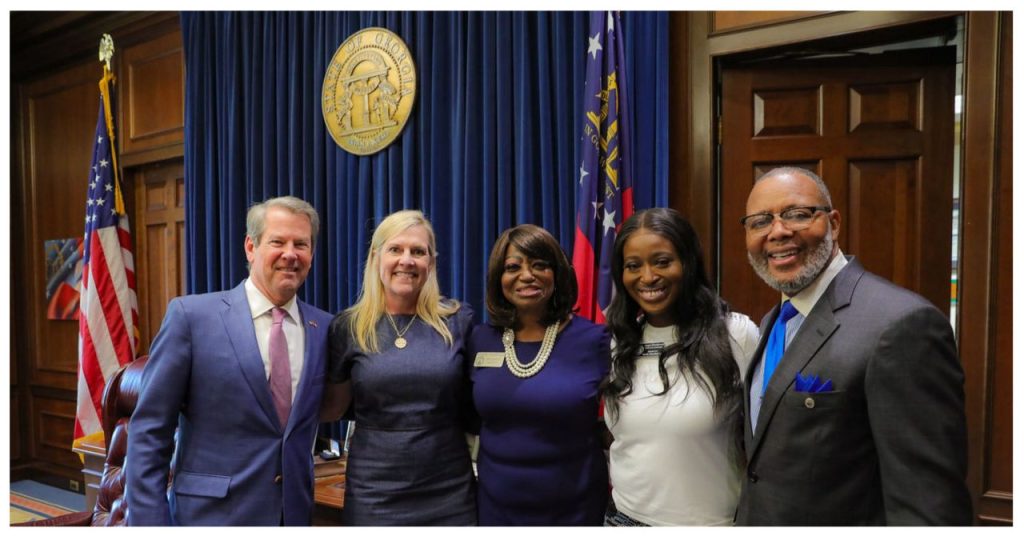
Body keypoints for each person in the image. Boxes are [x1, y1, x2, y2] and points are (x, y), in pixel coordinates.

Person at [736, 167, 972, 525]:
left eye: (797, 214)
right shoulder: (774, 320)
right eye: (760, 221)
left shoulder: (901, 325)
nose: (778, 231)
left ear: (834, 224)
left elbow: (928, 503)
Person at [126, 196, 332, 525]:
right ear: (251, 247)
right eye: (277, 242)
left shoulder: (325, 328)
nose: (290, 254)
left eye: (301, 244)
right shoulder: (191, 318)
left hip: (291, 517)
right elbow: (149, 431)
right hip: (209, 518)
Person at [603, 208, 759, 526]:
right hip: (623, 520)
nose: (648, 277)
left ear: (688, 263)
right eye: (633, 266)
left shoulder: (736, 334)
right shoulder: (620, 340)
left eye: (662, 261)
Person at [323, 209, 476, 525]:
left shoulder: (458, 321)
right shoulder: (347, 327)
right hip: (374, 493)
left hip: (449, 490)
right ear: (376, 257)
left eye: (418, 251)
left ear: (430, 263)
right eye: (396, 249)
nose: (407, 260)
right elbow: (333, 409)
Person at [467, 224, 610, 525]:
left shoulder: (595, 340)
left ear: (557, 274)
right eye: (513, 267)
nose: (527, 275)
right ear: (498, 278)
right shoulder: (479, 339)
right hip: (496, 509)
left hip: (575, 509)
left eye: (540, 265)